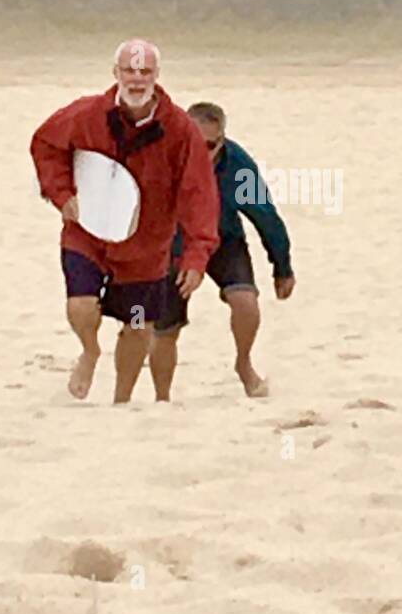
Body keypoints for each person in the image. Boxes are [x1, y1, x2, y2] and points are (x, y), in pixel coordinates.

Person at [30, 40, 219, 403]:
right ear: (115, 73)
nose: (136, 79)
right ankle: (90, 351)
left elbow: (200, 195)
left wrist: (197, 256)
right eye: (129, 71)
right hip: (88, 235)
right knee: (81, 305)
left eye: (144, 71)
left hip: (146, 248)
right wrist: (62, 194)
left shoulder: (180, 130)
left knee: (137, 325)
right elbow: (45, 144)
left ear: (157, 76)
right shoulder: (86, 114)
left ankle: (122, 402)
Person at [150, 102, 295, 399]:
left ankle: (243, 364)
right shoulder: (158, 158)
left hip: (222, 240)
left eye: (210, 145)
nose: (200, 153)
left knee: (246, 302)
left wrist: (282, 268)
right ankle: (161, 398)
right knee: (166, 329)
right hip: (173, 246)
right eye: (192, 142)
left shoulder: (236, 165)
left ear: (223, 141)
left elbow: (266, 216)